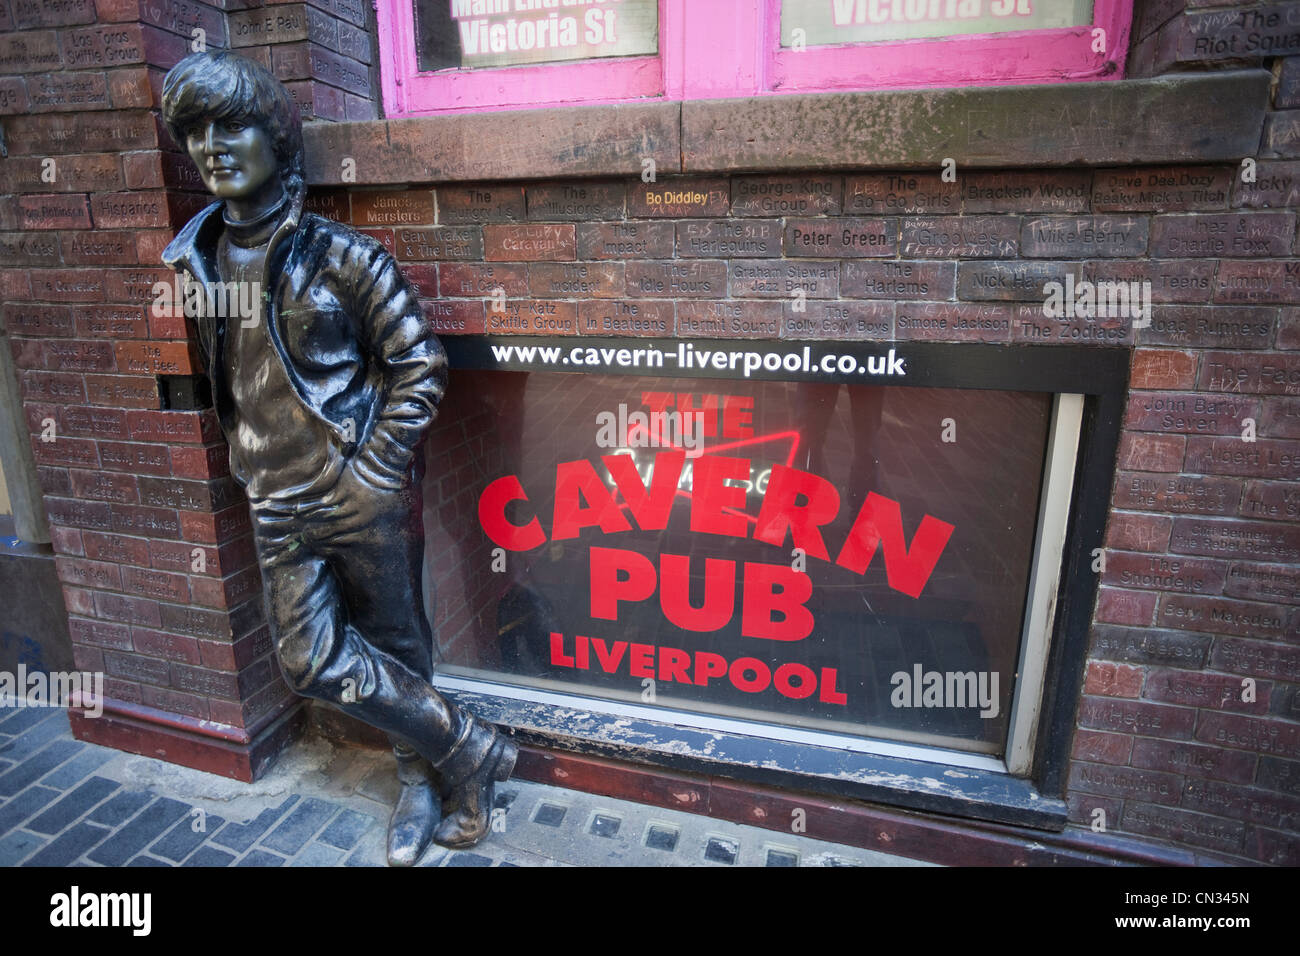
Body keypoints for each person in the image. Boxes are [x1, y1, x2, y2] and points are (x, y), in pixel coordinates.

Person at [159, 50, 516, 865]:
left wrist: (377, 468)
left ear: (277, 140)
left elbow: (419, 364)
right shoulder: (197, 261)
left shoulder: (344, 256)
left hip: (358, 486)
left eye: (232, 125)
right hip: (273, 495)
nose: (213, 146)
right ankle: (469, 748)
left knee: (397, 640)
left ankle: (422, 783)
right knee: (306, 658)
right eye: (196, 133)